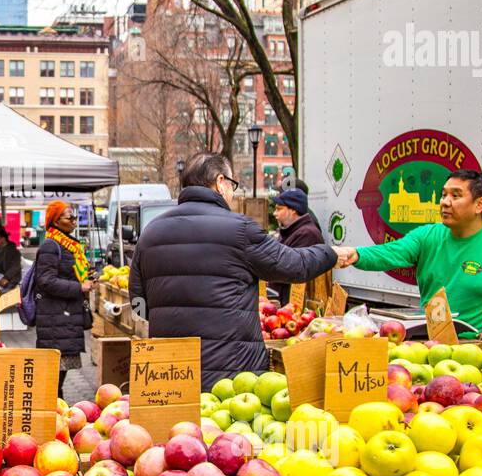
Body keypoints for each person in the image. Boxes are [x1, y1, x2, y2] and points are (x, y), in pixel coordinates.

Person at [130, 153, 337, 384]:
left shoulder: (150, 233)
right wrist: (332, 253)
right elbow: (294, 265)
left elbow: (139, 303)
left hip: (171, 375)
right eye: (232, 185)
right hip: (234, 376)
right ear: (220, 182)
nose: (232, 193)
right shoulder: (240, 229)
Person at [333, 169, 482, 346]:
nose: (445, 202)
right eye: (443, 195)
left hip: (476, 348)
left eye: (455, 195)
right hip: (430, 345)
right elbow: (391, 252)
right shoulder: (427, 236)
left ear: (479, 204)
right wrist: (356, 254)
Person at [33, 202, 94, 390]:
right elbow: (45, 281)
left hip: (64, 319)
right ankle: (53, 406)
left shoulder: (69, 245)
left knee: (58, 376)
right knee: (54, 377)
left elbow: (65, 273)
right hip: (56, 319)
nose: (75, 221)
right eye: (70, 217)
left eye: (75, 217)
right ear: (56, 221)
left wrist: (86, 277)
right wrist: (79, 287)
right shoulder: (51, 246)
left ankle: (56, 405)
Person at [272, 187, 328, 304]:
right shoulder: (291, 231)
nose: (275, 213)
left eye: (279, 209)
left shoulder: (307, 234)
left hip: (294, 303)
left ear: (293, 210)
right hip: (286, 300)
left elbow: (290, 269)